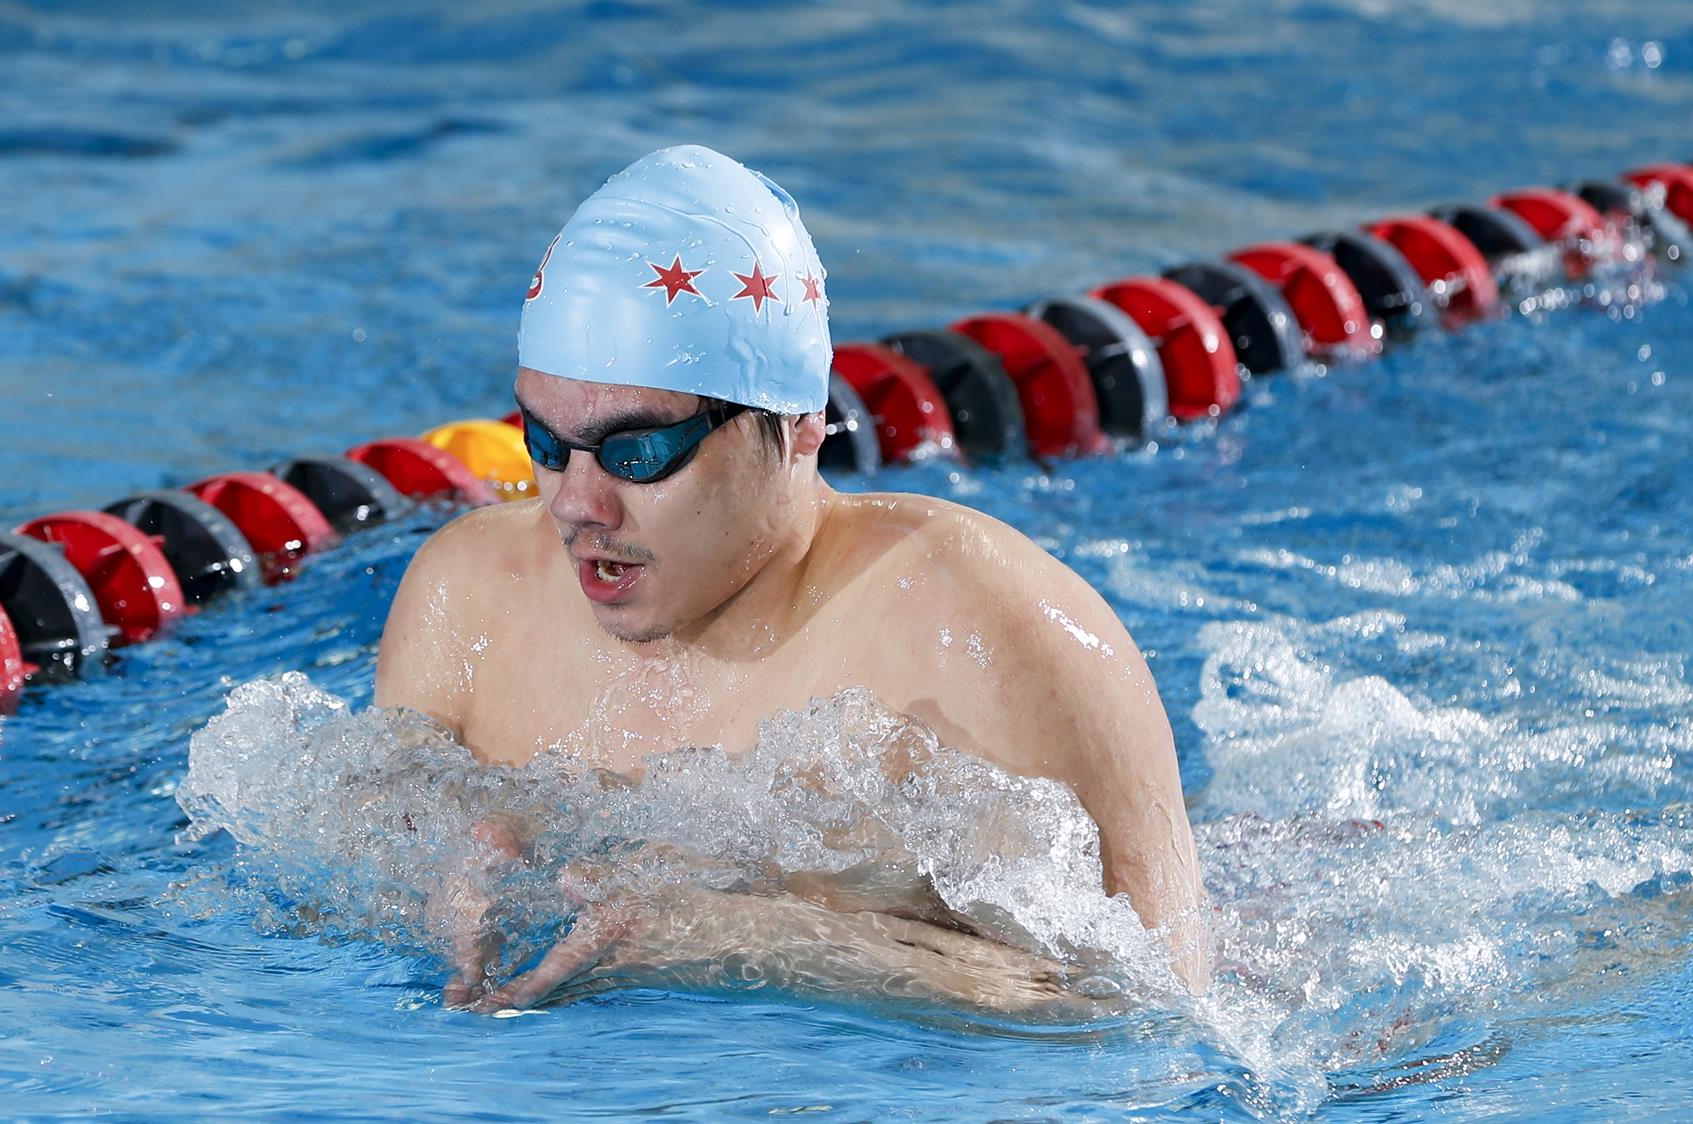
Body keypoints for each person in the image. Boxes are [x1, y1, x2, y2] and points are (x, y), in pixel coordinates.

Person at [374, 144, 1206, 1013]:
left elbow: (1153, 1008)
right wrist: (434, 879)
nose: (578, 505)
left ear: (801, 425)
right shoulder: (468, 598)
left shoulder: (982, 629)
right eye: (546, 443)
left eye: (639, 451)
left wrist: (757, 941)